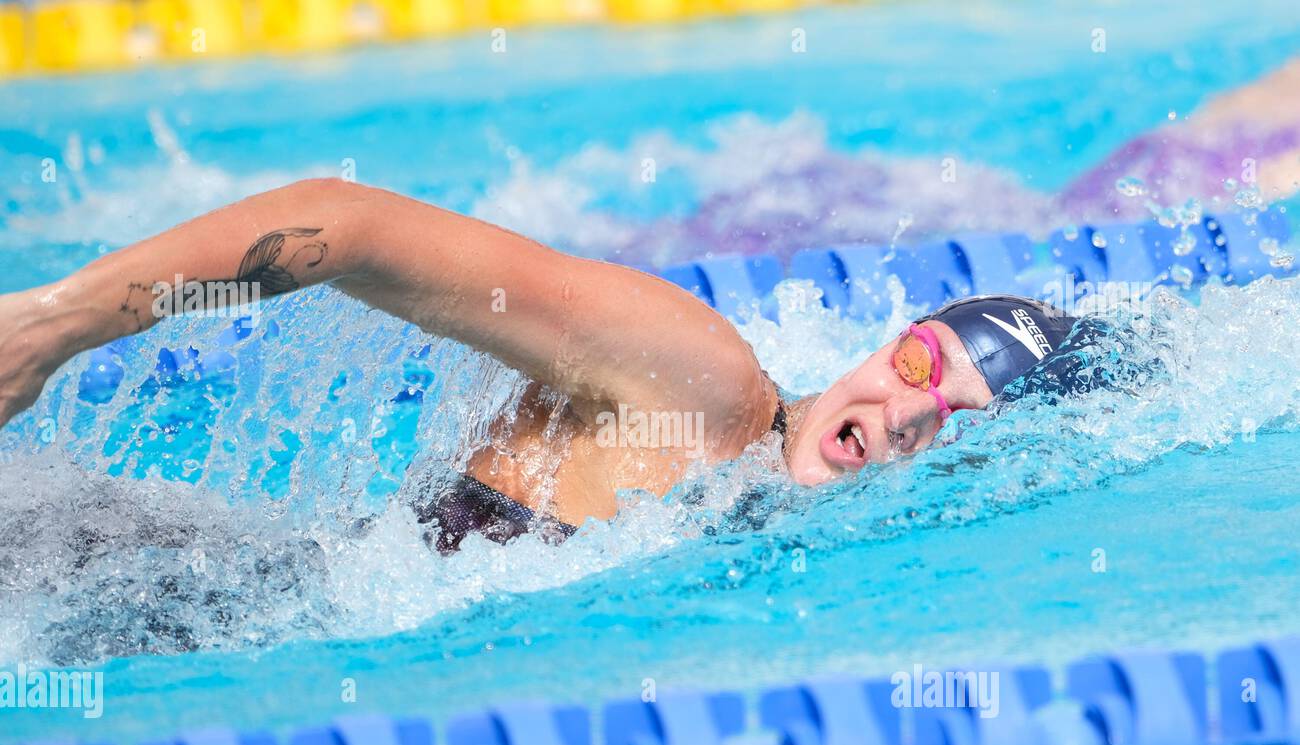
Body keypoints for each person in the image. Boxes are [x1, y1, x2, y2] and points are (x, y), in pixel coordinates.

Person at [0, 180, 1078, 551]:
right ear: (882, 339)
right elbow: (350, 224)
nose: (900, 410)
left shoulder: (774, 528)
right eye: (918, 361)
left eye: (948, 419)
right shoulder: (704, 384)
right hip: (123, 579)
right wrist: (53, 326)